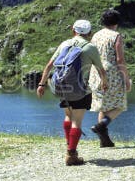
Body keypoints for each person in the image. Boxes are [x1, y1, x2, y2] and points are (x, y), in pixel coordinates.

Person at [36, 19, 107, 166]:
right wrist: (104, 82)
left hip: (62, 88)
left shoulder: (65, 44)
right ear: (89, 33)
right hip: (80, 90)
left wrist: (42, 84)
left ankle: (69, 147)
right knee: (77, 121)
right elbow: (101, 69)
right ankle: (71, 155)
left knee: (68, 116)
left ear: (73, 30)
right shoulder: (90, 48)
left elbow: (49, 65)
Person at [89, 9, 131, 147]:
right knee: (120, 104)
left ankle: (104, 141)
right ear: (116, 22)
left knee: (103, 106)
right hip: (111, 72)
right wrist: (126, 78)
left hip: (96, 72)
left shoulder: (96, 35)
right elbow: (120, 60)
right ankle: (102, 125)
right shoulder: (116, 35)